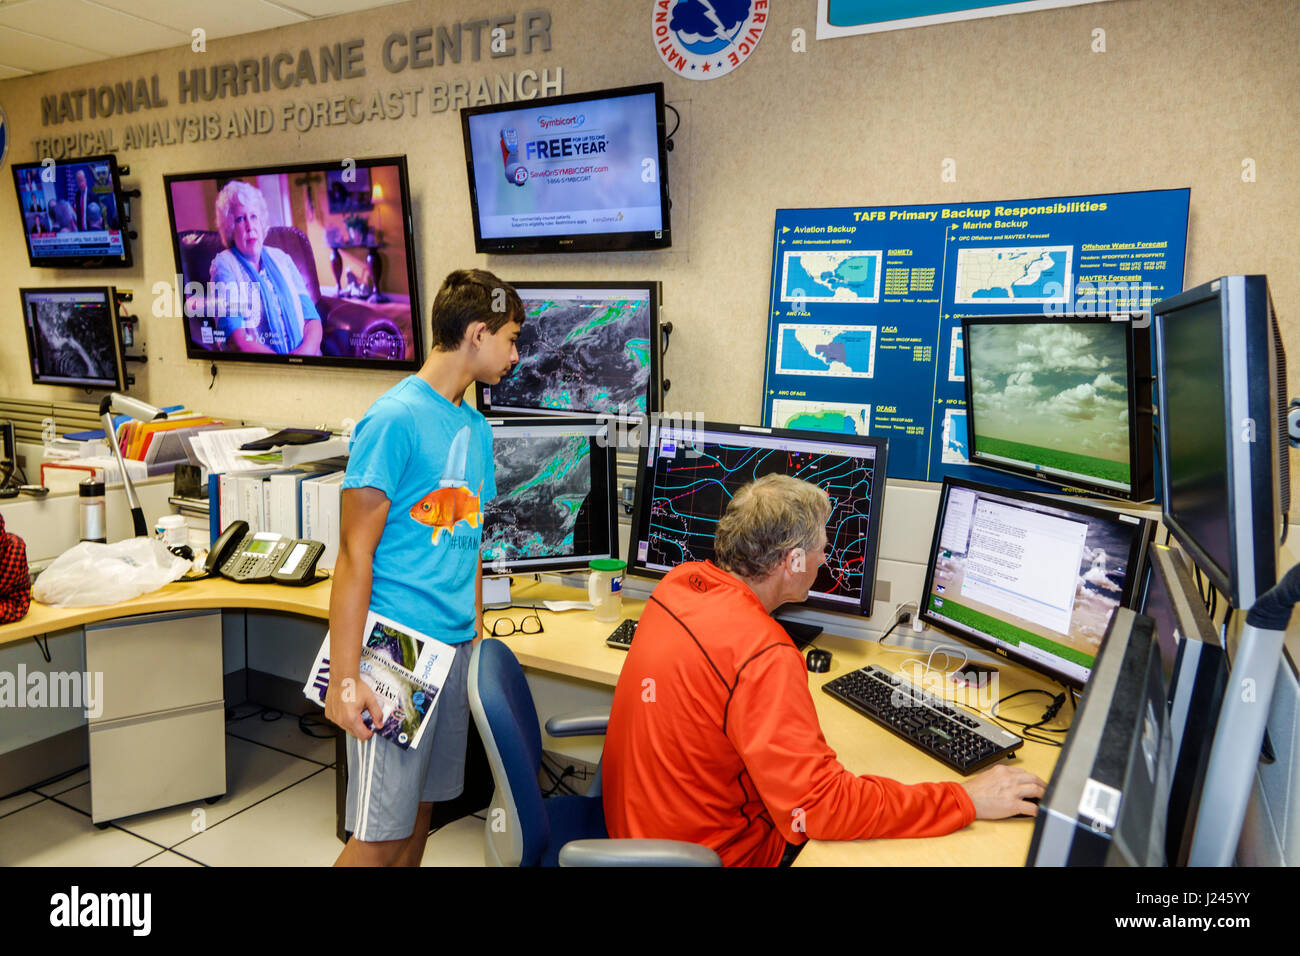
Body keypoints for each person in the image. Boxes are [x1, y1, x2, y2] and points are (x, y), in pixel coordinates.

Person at [602, 474, 1046, 867]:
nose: (826, 557)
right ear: (791, 560)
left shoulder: (679, 583)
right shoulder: (763, 653)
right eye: (821, 547)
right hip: (717, 854)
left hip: (640, 828)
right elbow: (822, 809)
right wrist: (964, 799)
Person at [324, 269, 524, 867]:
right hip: (396, 649)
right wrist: (345, 676)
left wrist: (477, 625)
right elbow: (353, 556)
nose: (515, 355)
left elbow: (474, 537)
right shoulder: (395, 419)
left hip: (453, 647)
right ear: (476, 333)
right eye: (511, 339)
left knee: (420, 815)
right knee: (379, 835)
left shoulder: (476, 426)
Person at [208, 180, 322, 356]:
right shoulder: (223, 265)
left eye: (253, 216)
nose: (250, 226)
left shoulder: (282, 258)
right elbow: (235, 339)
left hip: (306, 361)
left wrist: (304, 354)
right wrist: (283, 367)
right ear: (230, 228)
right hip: (262, 371)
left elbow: (312, 318)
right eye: (240, 219)